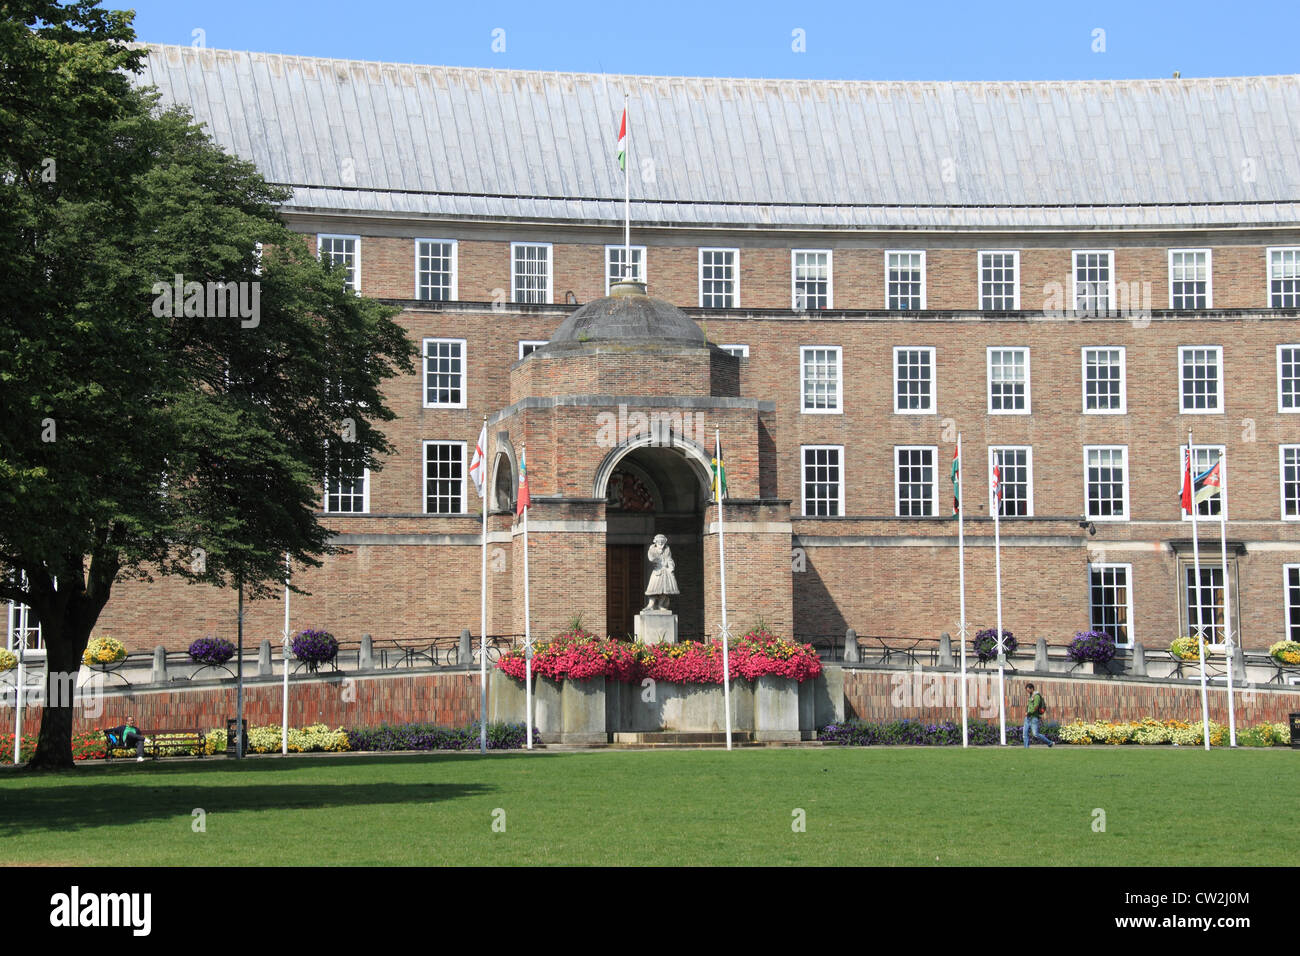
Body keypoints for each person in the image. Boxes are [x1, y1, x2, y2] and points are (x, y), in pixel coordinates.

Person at [642, 534, 679, 611]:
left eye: (662, 541)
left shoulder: (667, 549)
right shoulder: (653, 549)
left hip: (666, 572)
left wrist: (671, 568)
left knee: (664, 590)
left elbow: (669, 559)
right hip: (657, 571)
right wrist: (652, 552)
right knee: (652, 589)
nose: (661, 543)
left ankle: (661, 605)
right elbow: (651, 558)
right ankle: (650, 605)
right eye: (659, 541)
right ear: (655, 542)